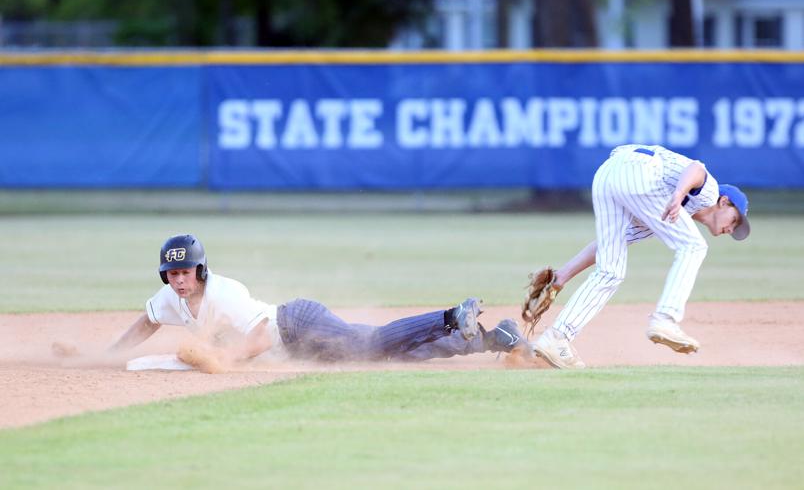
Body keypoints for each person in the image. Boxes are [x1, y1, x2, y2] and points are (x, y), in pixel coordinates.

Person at [110, 234, 529, 370]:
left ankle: (452, 316)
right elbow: (146, 323)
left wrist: (220, 361)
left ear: (200, 271)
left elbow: (258, 338)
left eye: (185, 272)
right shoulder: (170, 299)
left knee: (374, 343)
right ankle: (493, 340)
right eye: (173, 273)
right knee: (388, 355)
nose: (179, 279)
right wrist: (110, 354)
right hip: (300, 348)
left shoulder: (224, 291)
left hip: (296, 324)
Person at [533, 144, 751, 369]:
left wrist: (563, 275)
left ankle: (556, 338)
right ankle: (665, 319)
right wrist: (678, 194)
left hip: (609, 175)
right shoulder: (710, 193)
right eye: (734, 220)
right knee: (694, 246)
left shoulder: (660, 212)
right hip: (640, 172)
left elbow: (608, 244)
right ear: (724, 202)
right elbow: (697, 168)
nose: (731, 229)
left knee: (611, 270)